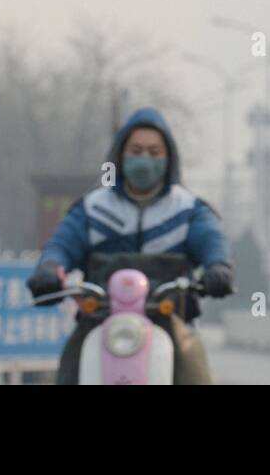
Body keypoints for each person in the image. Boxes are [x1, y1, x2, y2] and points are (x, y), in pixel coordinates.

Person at [27, 107, 234, 384]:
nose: (144, 158)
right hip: (99, 319)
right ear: (120, 155)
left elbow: (212, 241)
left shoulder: (188, 210)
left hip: (169, 319)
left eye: (154, 152)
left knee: (193, 365)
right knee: (71, 367)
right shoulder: (93, 208)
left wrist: (218, 267)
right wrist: (50, 268)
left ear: (168, 158)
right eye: (136, 150)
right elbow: (61, 245)